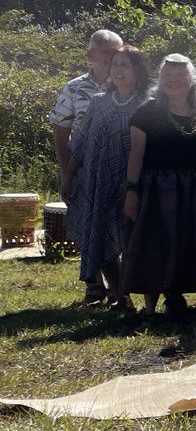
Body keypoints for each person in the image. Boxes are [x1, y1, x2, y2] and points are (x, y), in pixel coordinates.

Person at [121, 54, 196, 319]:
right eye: (168, 75)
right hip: (158, 188)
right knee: (156, 243)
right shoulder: (147, 112)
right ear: (160, 78)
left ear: (191, 80)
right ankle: (150, 308)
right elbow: (136, 153)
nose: (174, 80)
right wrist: (131, 190)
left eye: (180, 75)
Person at [62, 45, 148, 310]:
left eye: (125, 65)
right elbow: (80, 141)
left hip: (132, 182)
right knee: (100, 235)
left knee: (130, 240)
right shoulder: (99, 101)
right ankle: (121, 296)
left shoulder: (147, 104)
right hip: (96, 181)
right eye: (115, 65)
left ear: (137, 70)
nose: (119, 71)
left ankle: (146, 295)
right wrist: (68, 176)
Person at [50, 30, 121, 181]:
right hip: (82, 169)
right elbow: (62, 131)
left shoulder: (127, 87)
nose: (111, 57)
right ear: (90, 55)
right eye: (105, 52)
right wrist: (66, 172)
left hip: (119, 168)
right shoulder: (73, 88)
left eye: (115, 52)